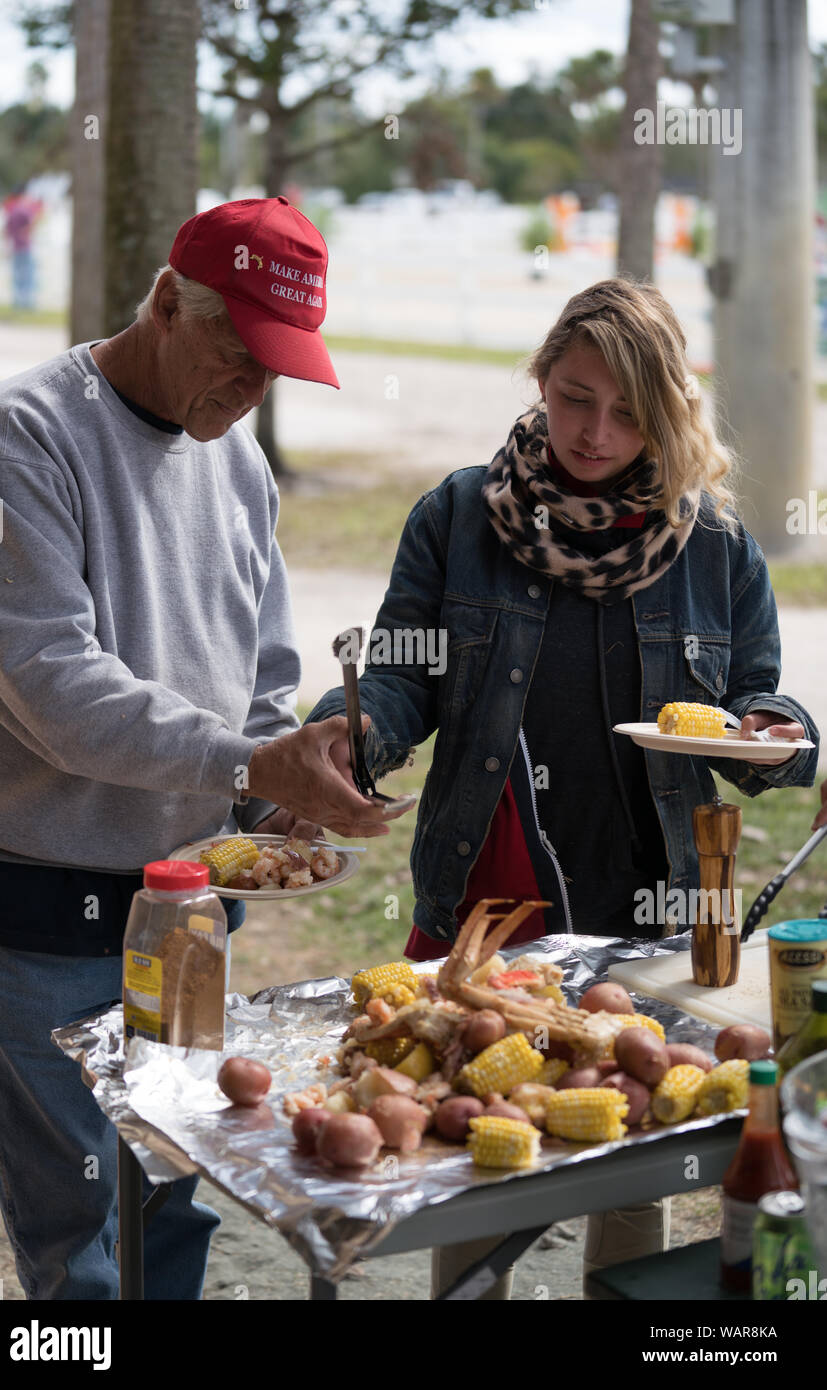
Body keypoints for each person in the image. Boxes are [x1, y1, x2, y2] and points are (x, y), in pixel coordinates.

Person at [307, 277, 820, 1298]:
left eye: (628, 411)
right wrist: (356, 727)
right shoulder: (459, 513)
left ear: (667, 410)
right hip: (495, 898)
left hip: (656, 895)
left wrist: (780, 729)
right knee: (473, 1157)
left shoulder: (713, 546)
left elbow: (757, 699)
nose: (594, 431)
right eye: (576, 395)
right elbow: (408, 672)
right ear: (541, 375)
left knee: (633, 1155)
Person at [0, 196, 406, 1300]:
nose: (252, 389)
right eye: (238, 354)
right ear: (166, 301)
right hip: (30, 903)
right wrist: (250, 764)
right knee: (76, 1224)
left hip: (191, 904)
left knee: (173, 1185)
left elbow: (257, 679)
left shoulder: (239, 462)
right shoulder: (15, 438)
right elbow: (58, 691)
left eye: (276, 368)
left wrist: (279, 794)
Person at [2, 186, 44, 311]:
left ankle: (18, 301)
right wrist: (27, 232)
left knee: (17, 275)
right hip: (25, 246)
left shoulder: (12, 210)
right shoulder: (23, 210)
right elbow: (32, 223)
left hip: (15, 246)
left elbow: (6, 230)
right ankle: (27, 302)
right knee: (28, 275)